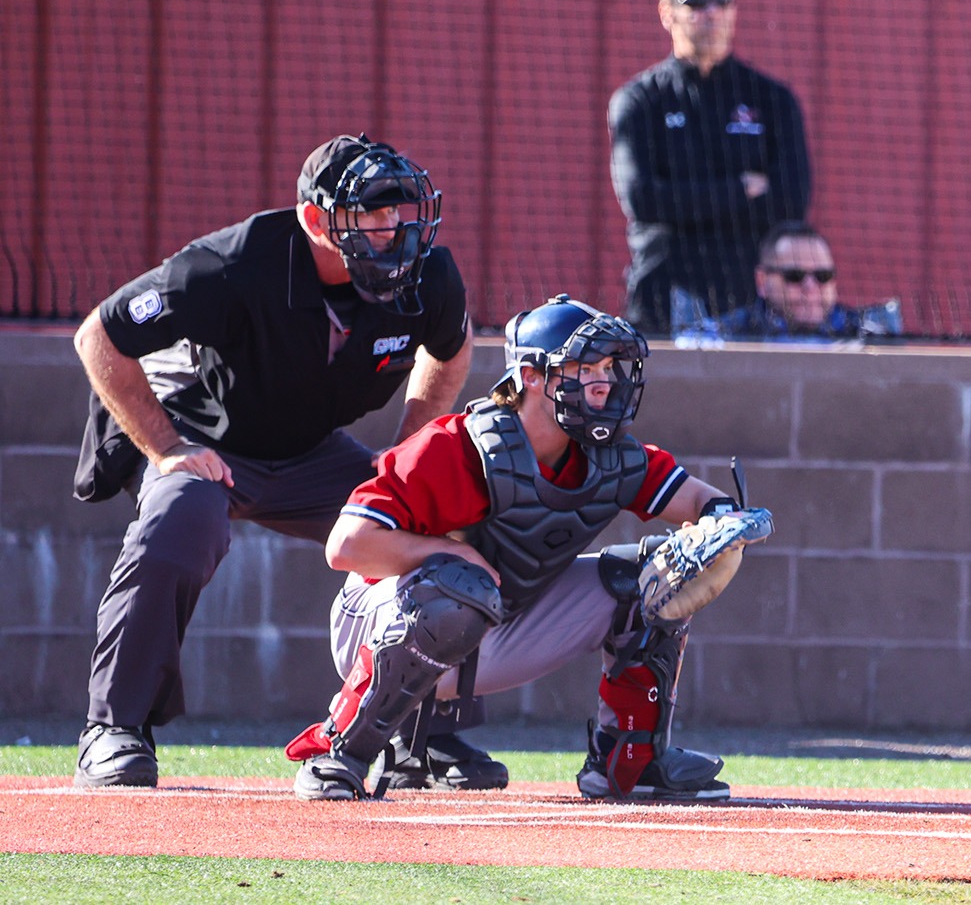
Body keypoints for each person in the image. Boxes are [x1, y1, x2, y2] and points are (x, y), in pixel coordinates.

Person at [69, 135, 472, 788]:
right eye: (372, 215)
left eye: (399, 213)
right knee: (180, 525)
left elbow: (450, 351)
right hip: (209, 444)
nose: (393, 230)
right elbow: (101, 334)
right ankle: (113, 726)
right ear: (317, 221)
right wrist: (168, 448)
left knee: (436, 530)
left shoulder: (425, 274)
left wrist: (409, 451)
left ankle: (424, 736)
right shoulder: (234, 265)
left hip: (311, 453)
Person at [285, 295, 774, 801]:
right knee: (459, 586)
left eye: (609, 365)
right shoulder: (454, 447)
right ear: (532, 376)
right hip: (377, 620)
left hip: (495, 625)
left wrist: (721, 520)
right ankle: (340, 752)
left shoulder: (609, 456)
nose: (604, 380)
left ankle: (631, 761)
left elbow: (695, 497)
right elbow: (345, 546)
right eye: (585, 366)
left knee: (659, 577)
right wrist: (440, 552)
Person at [611, 0, 812, 335]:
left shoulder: (772, 101)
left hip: (752, 310)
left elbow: (791, 202)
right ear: (667, 13)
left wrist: (685, 199)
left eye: (723, 1)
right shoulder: (640, 101)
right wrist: (742, 188)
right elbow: (643, 200)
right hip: (662, 304)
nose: (712, 14)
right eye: (696, 2)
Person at [706, 221, 900, 341]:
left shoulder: (871, 341)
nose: (810, 287)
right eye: (794, 276)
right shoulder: (724, 338)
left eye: (822, 276)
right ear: (762, 281)